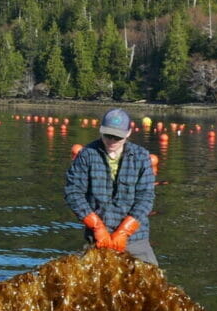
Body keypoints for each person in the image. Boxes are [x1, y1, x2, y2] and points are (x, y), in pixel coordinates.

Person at [64, 108, 157, 265]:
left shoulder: (141, 156)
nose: (112, 141)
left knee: (153, 278)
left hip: (136, 239)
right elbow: (73, 193)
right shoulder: (86, 155)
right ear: (101, 131)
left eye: (118, 137)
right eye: (108, 135)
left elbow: (145, 198)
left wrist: (124, 231)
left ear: (128, 133)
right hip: (97, 238)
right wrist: (97, 227)